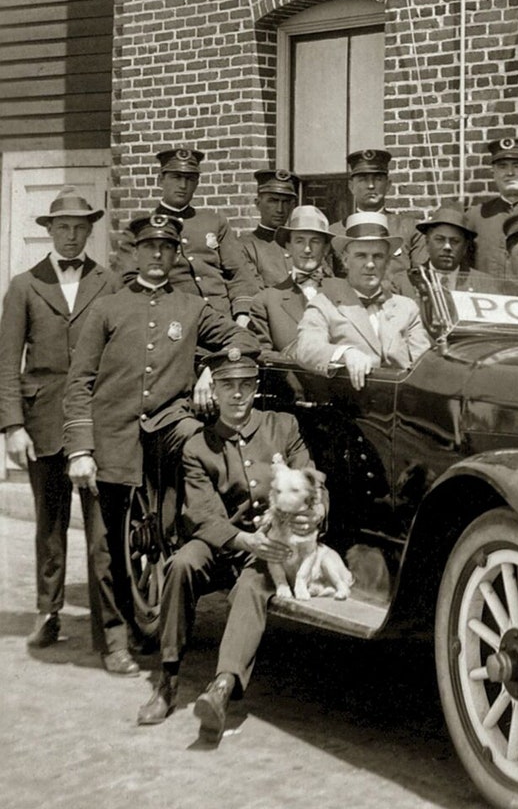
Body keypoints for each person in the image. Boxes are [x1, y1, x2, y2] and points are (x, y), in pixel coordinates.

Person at [63, 214, 258, 660]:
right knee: (105, 543)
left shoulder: (190, 308)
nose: (157, 256)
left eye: (166, 249)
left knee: (201, 442)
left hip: (168, 424)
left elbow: (243, 340)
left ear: (174, 256)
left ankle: (206, 539)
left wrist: (210, 367)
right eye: (149, 248)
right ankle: (115, 640)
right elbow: (79, 383)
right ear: (135, 253)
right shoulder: (108, 308)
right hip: (111, 433)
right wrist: (80, 448)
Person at [135, 349, 321, 737]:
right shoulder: (198, 446)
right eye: (227, 386)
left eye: (245, 385)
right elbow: (202, 515)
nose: (237, 395)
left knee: (254, 587)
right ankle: (168, 681)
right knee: (182, 564)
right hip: (222, 541)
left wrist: (318, 513)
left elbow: (312, 479)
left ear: (255, 389)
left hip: (270, 545)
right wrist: (244, 540)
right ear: (214, 392)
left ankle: (221, 688)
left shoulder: (282, 426)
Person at [0, 189, 131, 668]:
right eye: (63, 228)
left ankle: (112, 636)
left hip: (95, 426)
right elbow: (6, 361)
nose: (72, 236)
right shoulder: (23, 286)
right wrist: (13, 425)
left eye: (80, 228)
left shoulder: (111, 283)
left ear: (91, 230)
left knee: (103, 536)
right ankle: (47, 610)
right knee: (49, 527)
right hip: (42, 425)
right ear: (49, 230)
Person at [113, 145, 259, 322]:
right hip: (174, 320)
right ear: (160, 180)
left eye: (190, 179)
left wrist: (242, 314)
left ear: (197, 183)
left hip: (222, 319)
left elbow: (239, 274)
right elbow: (128, 280)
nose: (183, 185)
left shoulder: (214, 221)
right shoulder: (141, 229)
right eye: (176, 177)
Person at [294, 213, 431, 389]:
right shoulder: (324, 304)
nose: (370, 264)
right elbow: (306, 348)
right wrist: (345, 353)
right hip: (351, 405)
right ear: (345, 260)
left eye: (378, 256)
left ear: (388, 262)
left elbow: (423, 362)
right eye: (361, 256)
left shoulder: (407, 308)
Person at [248, 206, 349, 356]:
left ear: (326, 248)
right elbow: (262, 356)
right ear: (288, 246)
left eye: (315, 241)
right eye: (299, 241)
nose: (307, 249)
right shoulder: (267, 301)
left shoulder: (347, 293)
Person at [329, 148, 419, 284]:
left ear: (388, 185)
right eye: (363, 179)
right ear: (351, 186)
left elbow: (421, 277)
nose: (371, 185)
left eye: (378, 179)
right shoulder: (335, 232)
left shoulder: (408, 228)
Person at [464, 136, 518, 276]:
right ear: (494, 173)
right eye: (502, 166)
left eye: (517, 165)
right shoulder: (475, 217)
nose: (510, 173)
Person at [239, 169, 299, 289]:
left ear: (293, 206)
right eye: (273, 201)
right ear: (258, 204)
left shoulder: (302, 243)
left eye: (286, 202)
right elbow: (255, 292)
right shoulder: (244, 246)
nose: (280, 209)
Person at [414, 205, 480, 290]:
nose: (447, 247)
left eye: (455, 241)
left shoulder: (485, 285)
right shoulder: (405, 282)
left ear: (465, 247)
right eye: (440, 239)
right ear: (427, 243)